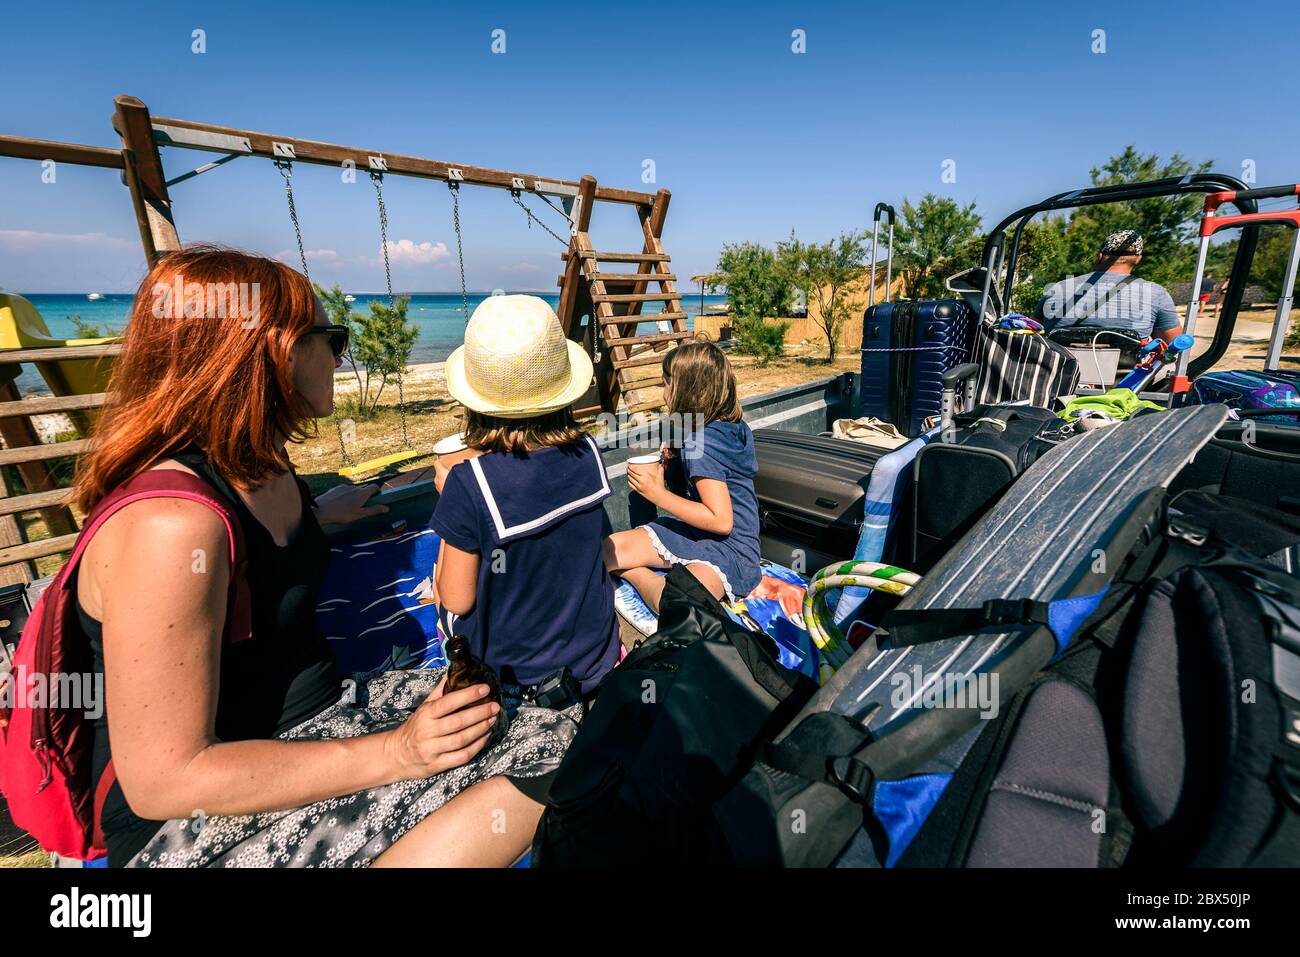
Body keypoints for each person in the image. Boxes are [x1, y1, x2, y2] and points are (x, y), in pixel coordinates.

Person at [76, 246, 573, 868]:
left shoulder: (262, 466)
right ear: (270, 353)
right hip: (200, 813)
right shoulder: (169, 528)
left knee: (552, 731)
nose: (342, 355)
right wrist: (399, 753)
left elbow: (257, 557)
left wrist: (315, 518)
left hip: (324, 720)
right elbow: (165, 781)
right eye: (329, 337)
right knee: (547, 776)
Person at [428, 294, 620, 763]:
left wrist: (453, 504)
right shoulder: (589, 453)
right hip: (595, 655)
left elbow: (456, 599)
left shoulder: (469, 485)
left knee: (443, 602)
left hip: (522, 680)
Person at [603, 341, 762, 614]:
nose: (663, 392)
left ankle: (635, 574)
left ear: (687, 390)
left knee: (676, 604)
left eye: (666, 383)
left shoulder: (701, 442)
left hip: (733, 550)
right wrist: (673, 458)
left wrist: (656, 493)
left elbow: (721, 521)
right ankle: (657, 567)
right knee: (607, 551)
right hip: (694, 532)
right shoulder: (726, 426)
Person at [1037, 229, 1185, 344]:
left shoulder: (1057, 288)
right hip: (1128, 382)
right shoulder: (1156, 293)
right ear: (1138, 259)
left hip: (1062, 377)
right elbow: (1172, 345)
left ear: (1100, 255)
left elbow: (1033, 331)